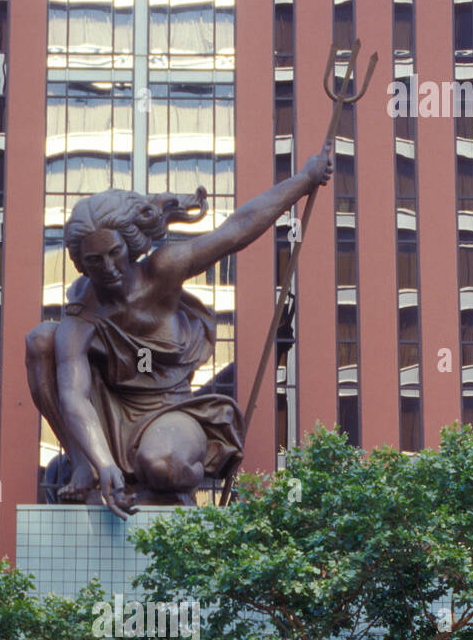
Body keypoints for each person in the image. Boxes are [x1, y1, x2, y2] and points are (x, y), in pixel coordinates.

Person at [26, 144, 333, 518]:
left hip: (170, 409)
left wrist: (304, 180)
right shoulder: (82, 312)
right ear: (81, 263)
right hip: (110, 417)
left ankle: (164, 490)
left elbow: (235, 230)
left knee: (163, 467)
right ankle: (84, 464)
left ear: (131, 243)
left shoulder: (165, 269)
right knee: (42, 338)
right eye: (94, 260)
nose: (108, 267)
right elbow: (73, 394)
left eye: (114, 253)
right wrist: (101, 460)